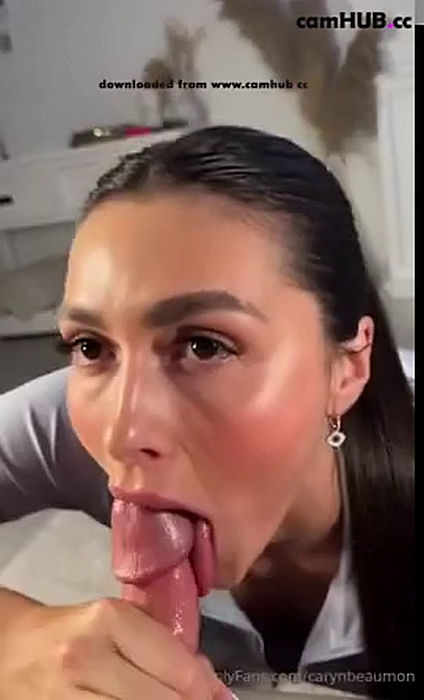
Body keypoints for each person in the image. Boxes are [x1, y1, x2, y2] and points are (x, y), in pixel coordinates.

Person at [0, 126, 414, 699]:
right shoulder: (66, 421)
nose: (123, 433)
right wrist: (15, 636)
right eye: (91, 346)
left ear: (347, 367)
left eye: (204, 345)